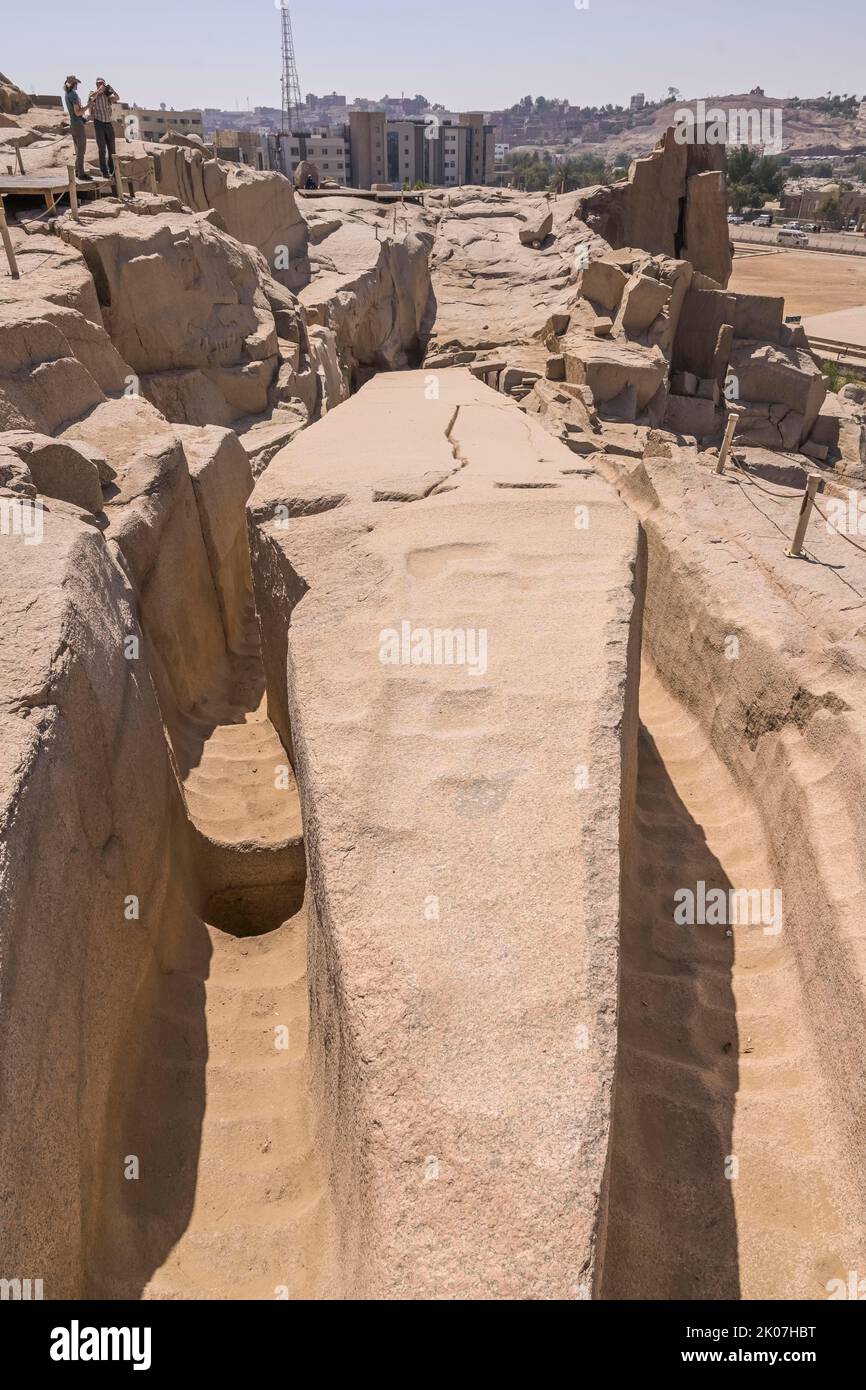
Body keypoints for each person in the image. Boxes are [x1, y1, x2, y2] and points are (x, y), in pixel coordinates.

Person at [86, 78, 119, 179]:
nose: (101, 85)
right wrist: (98, 91)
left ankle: (113, 171)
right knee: (102, 149)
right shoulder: (93, 93)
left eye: (102, 84)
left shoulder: (107, 95)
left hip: (108, 123)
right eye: (99, 83)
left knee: (112, 149)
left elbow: (117, 98)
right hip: (99, 122)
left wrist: (112, 90)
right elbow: (90, 99)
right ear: (96, 84)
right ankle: (104, 171)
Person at [63, 75, 91, 181]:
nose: (77, 85)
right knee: (81, 151)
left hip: (73, 124)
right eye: (76, 83)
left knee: (78, 150)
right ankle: (81, 174)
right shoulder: (73, 94)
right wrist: (89, 105)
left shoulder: (67, 94)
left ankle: (77, 171)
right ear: (74, 84)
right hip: (78, 125)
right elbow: (78, 112)